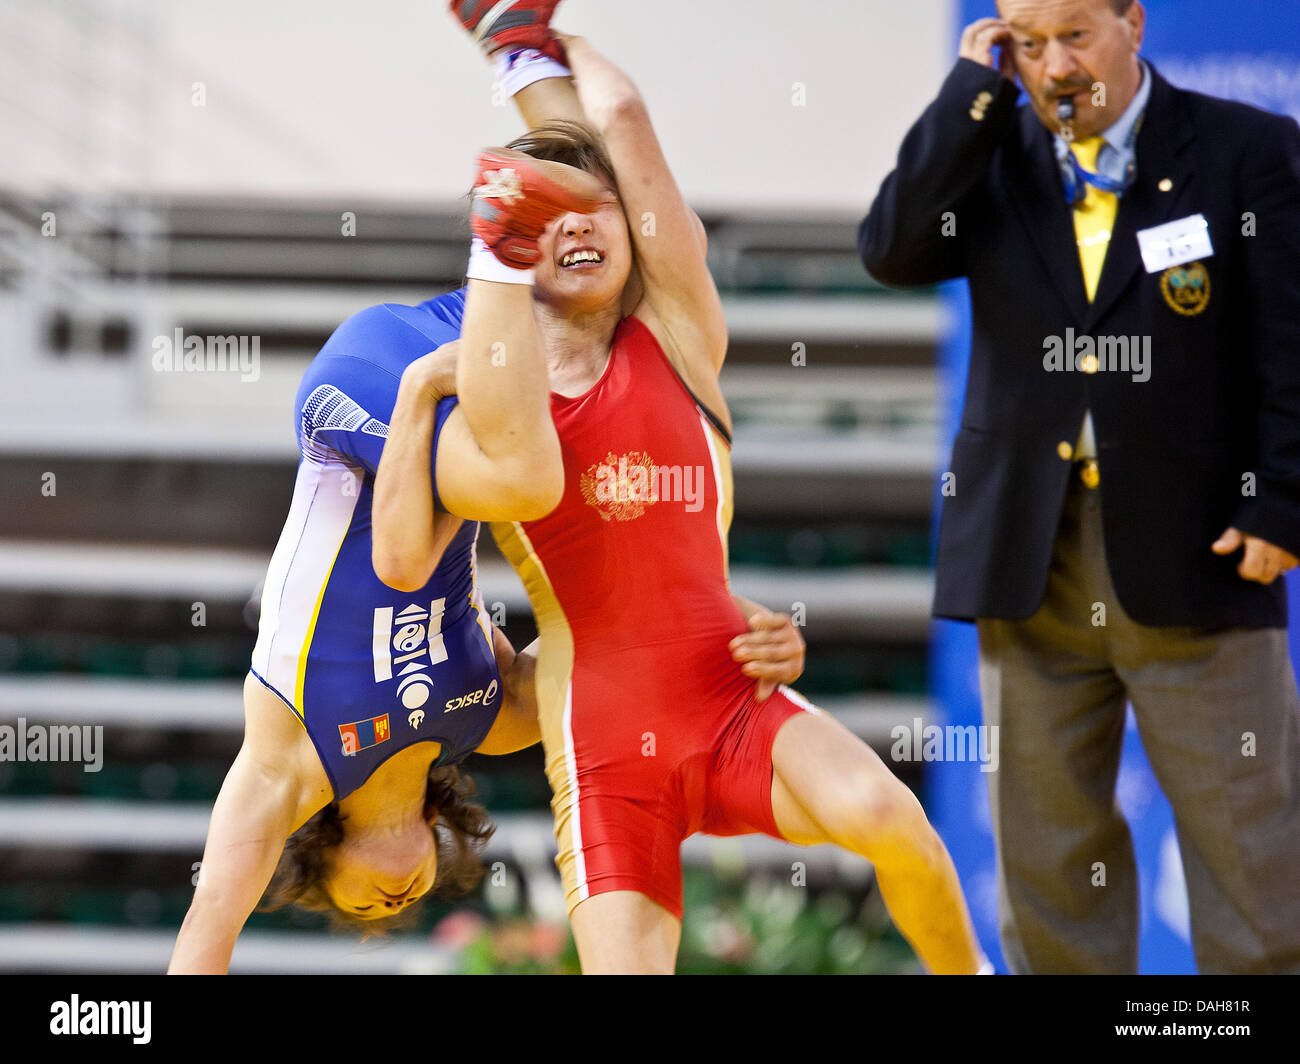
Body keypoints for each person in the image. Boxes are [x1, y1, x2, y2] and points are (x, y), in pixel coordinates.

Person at [372, 6, 986, 974]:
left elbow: (621, 123)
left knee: (887, 814)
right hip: (608, 751)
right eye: (550, 218)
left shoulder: (680, 336)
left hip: (729, 695)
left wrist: (526, 43)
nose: (579, 225)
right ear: (516, 251)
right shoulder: (497, 397)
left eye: (599, 210)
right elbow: (409, 548)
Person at [166, 155, 804, 974]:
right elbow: (614, 638)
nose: (391, 908)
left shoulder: (286, 766)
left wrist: (424, 393)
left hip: (360, 399)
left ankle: (504, 221)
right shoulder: (488, 722)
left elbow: (205, 937)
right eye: (406, 909)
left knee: (524, 483)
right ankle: (544, 93)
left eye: (360, 905)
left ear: (315, 859)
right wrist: (740, 625)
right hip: (463, 369)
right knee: (654, 283)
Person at [859, 0, 1300, 974]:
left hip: (1204, 552)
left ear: (1132, 23)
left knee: (1252, 860)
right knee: (1048, 863)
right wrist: (968, 96)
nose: (1052, 65)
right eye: (1023, 42)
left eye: (1074, 34)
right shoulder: (987, 151)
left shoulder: (1247, 150)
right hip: (1029, 548)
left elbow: (1291, 340)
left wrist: (1282, 499)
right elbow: (890, 247)